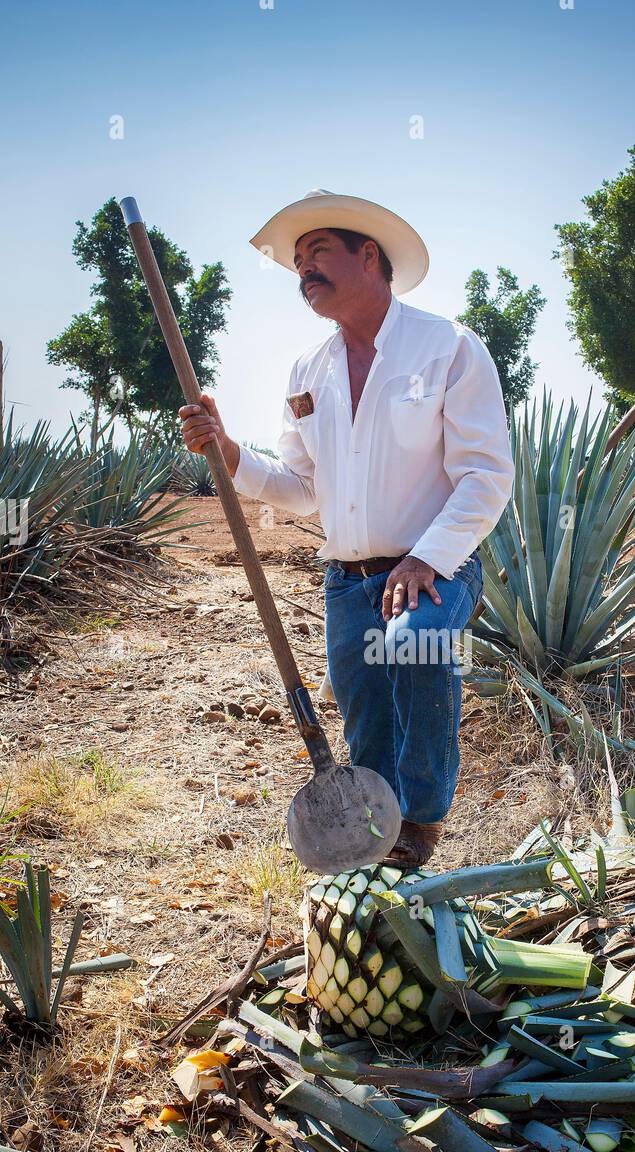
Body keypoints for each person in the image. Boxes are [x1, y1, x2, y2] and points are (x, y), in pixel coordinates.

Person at [179, 189, 514, 867]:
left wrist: (427, 559)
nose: (304, 270)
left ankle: (421, 822)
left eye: (318, 253)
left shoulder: (447, 347)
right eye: (298, 261)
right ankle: (383, 841)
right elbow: (301, 489)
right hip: (346, 582)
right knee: (366, 719)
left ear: (369, 257)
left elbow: (486, 474)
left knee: (417, 644)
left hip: (432, 567)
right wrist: (227, 449)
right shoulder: (309, 369)